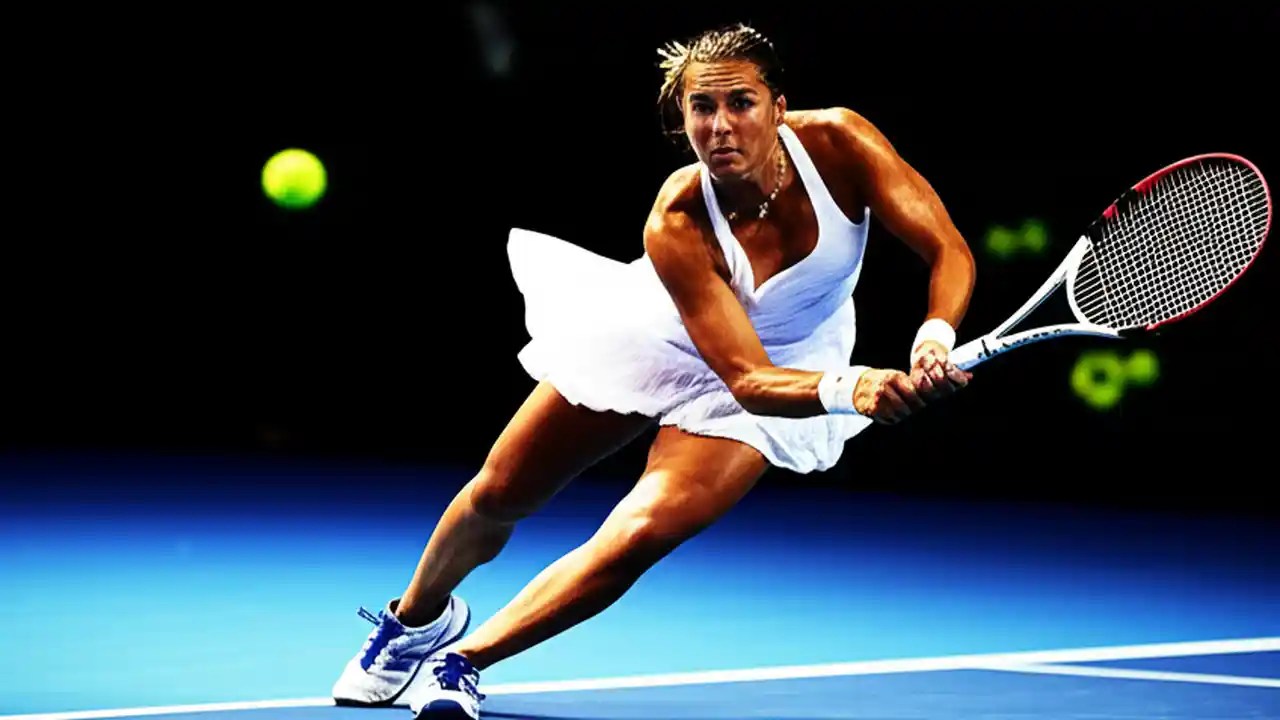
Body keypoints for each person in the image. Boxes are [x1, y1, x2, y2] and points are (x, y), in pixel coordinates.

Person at [331, 22, 976, 719]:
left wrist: (933, 336)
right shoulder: (677, 217)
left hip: (795, 355)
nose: (721, 125)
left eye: (741, 103)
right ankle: (414, 622)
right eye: (702, 108)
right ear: (683, 118)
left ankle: (461, 663)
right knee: (501, 490)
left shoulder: (842, 143)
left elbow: (947, 249)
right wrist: (855, 389)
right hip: (670, 337)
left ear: (779, 106)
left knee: (641, 532)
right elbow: (746, 380)